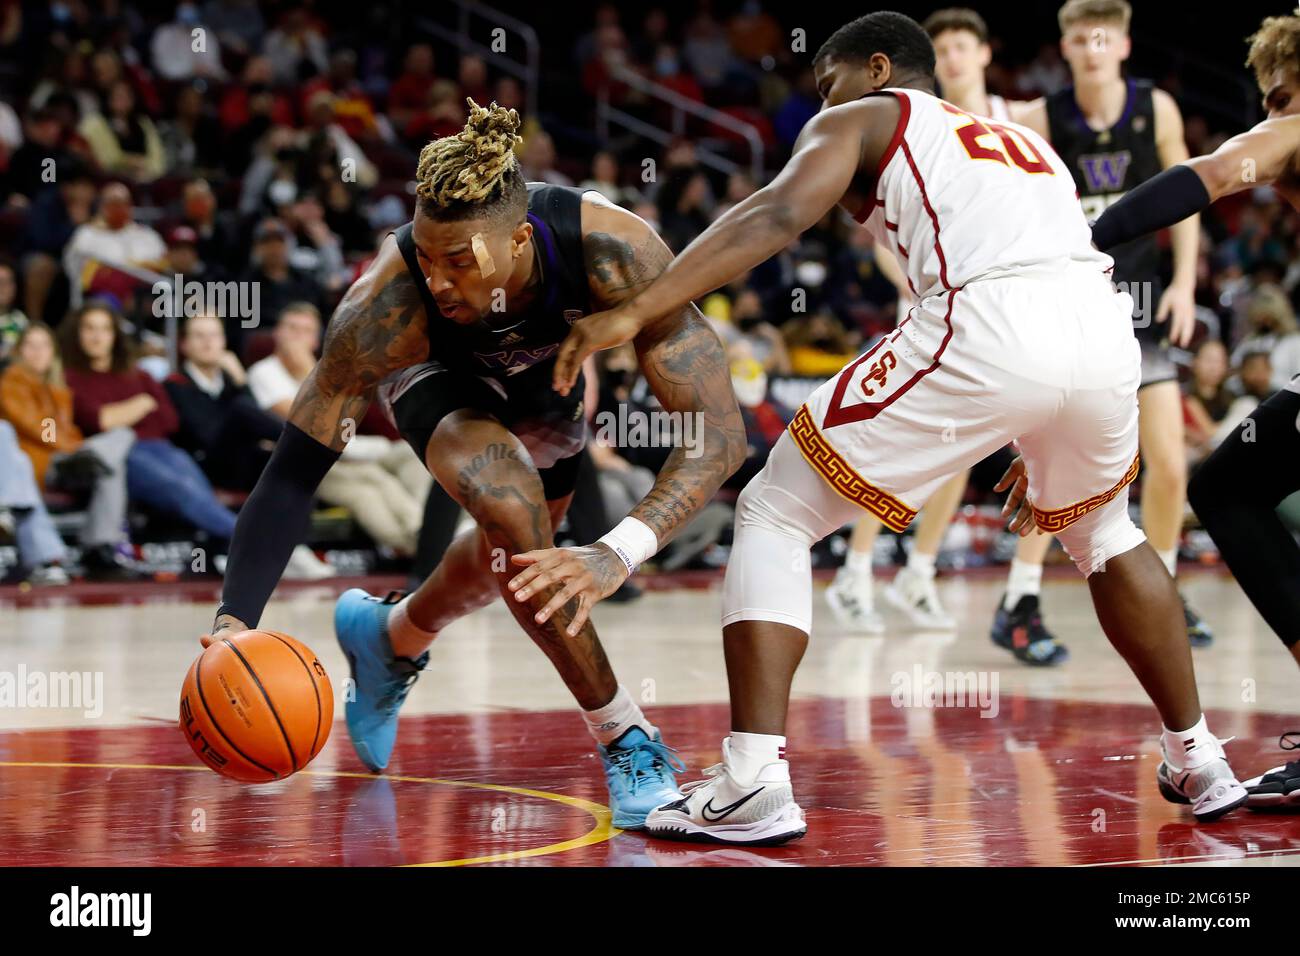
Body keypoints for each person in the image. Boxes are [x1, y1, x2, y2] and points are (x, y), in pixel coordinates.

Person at [540, 11, 1248, 843]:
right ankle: (1199, 757)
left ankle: (750, 779)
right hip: (1100, 327)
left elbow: (773, 216)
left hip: (988, 316)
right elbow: (1048, 275)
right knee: (1105, 532)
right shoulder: (1018, 142)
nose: (820, 106)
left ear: (878, 71)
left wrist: (635, 311)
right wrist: (1037, 427)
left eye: (826, 86)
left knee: (776, 508)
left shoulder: (870, 115)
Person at [198, 101, 744, 830]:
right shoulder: (383, 309)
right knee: (514, 513)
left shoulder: (613, 252)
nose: (442, 278)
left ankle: (390, 638)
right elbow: (294, 472)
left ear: (521, 238)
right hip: (434, 378)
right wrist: (236, 617)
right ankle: (625, 737)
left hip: (547, 382)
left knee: (522, 552)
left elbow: (719, 435)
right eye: (428, 257)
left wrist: (618, 551)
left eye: (459, 260)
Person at [1089, 10, 1300, 810]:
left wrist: (1092, 240)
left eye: (1280, 97)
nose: (1272, 116)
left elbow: (1208, 175)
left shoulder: (1292, 130)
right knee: (1234, 482)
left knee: (1227, 486)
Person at [1004, 0, 1212, 654]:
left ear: (1122, 46)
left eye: (1104, 38)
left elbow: (1189, 193)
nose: (1092, 49)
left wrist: (1183, 282)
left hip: (1142, 306)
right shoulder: (1041, 117)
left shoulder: (1159, 110)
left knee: (1170, 468)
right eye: (1079, 39)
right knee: (1053, 463)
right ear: (1064, 48)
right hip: (1072, 305)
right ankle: (1020, 598)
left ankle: (1168, 587)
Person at [824, 8, 1012, 639]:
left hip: (992, 310)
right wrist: (916, 278)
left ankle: (919, 571)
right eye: (947, 48)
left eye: (966, 46)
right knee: (898, 448)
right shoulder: (903, 120)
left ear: (985, 54)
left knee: (965, 448)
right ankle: (855, 570)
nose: (956, 58)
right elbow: (881, 222)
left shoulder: (1014, 123)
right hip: (930, 301)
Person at [247, 303, 428, 557]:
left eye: (306, 330)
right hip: (310, 459)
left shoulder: (329, 368)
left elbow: (349, 417)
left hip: (352, 449)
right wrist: (306, 372)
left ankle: (432, 532)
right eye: (292, 328)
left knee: (413, 457)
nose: (298, 336)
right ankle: (423, 540)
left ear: (315, 339)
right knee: (371, 486)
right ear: (277, 333)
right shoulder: (264, 371)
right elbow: (313, 422)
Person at [60, 300, 240, 551]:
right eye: (89, 328)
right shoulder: (70, 379)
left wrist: (122, 413)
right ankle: (250, 540)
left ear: (114, 335)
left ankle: (233, 544)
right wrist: (142, 404)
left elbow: (168, 420)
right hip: (121, 454)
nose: (97, 336)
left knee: (198, 489)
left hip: (161, 448)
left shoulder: (138, 374)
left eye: (104, 329)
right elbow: (98, 420)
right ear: (77, 334)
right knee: (180, 489)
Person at [166, 313, 334, 580]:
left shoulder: (230, 382)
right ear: (184, 345)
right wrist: (242, 384)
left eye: (213, 336)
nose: (208, 343)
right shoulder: (175, 384)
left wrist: (237, 381)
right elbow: (205, 432)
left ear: (223, 342)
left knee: (297, 463)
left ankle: (295, 549)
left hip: (241, 459)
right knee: (243, 411)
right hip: (203, 466)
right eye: (199, 336)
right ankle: (308, 438)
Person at [0, 322, 138, 579]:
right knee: (105, 459)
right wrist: (72, 445)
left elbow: (63, 429)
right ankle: (91, 457)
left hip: (67, 455)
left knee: (120, 442)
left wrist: (72, 443)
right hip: (40, 461)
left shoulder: (58, 387)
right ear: (19, 351)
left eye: (44, 346)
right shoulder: (12, 383)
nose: (37, 352)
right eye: (30, 345)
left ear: (53, 351)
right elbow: (41, 429)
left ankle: (101, 542)